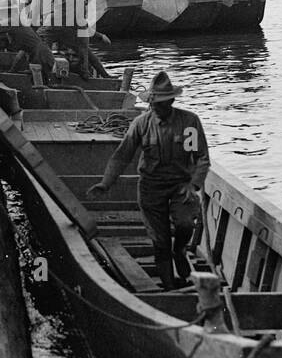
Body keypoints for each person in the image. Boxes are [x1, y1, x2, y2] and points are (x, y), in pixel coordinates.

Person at [87, 70, 209, 291]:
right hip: (151, 188)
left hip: (181, 184)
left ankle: (180, 251)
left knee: (184, 224)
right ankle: (170, 287)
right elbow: (122, 156)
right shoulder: (141, 124)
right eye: (153, 103)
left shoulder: (189, 122)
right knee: (160, 242)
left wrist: (194, 185)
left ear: (171, 101)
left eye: (161, 103)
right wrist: (106, 183)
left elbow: (200, 157)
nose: (155, 107)